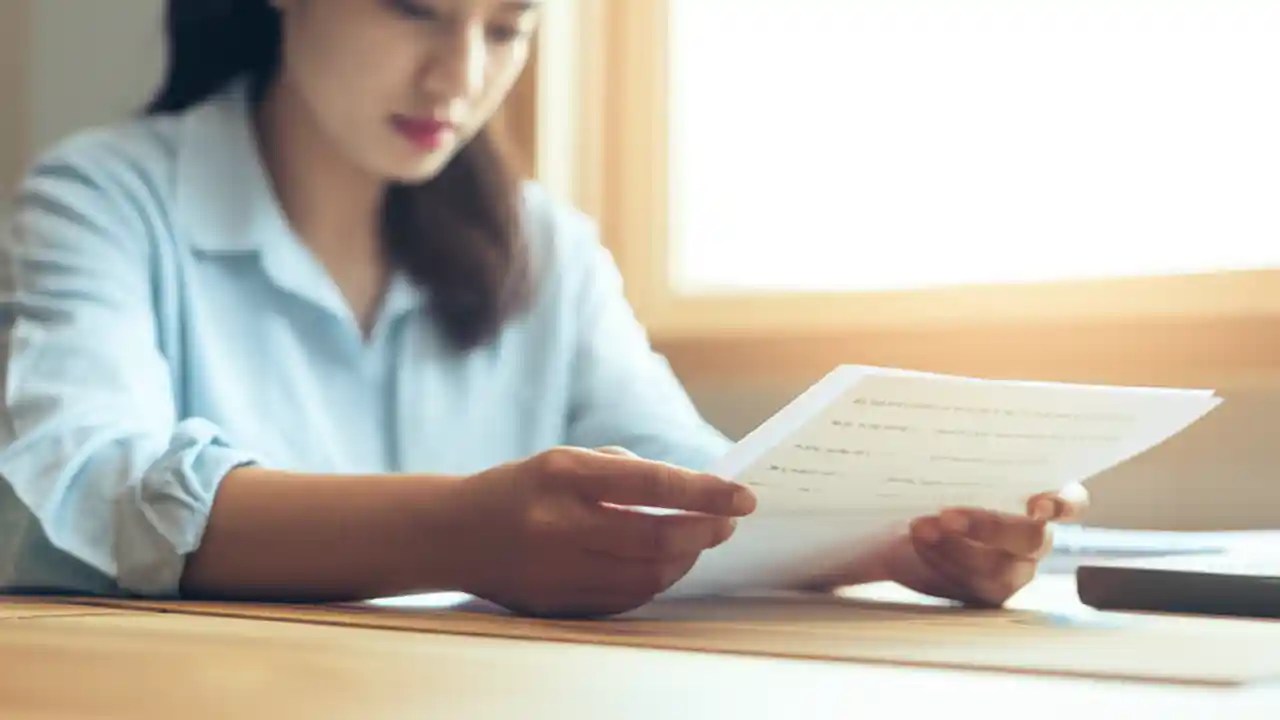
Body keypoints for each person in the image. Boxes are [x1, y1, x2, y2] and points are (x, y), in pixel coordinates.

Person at [0, 0, 1083, 617]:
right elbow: (101, 487)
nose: (457, 78)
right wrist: (459, 534)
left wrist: (890, 542)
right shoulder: (103, 198)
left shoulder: (547, 245)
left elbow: (699, 484)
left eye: (506, 27)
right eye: (415, 8)